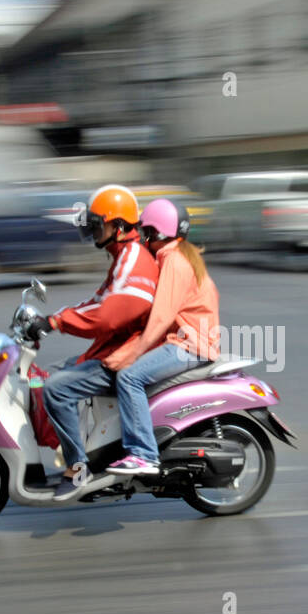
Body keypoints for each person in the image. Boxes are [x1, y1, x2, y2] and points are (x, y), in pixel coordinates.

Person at [32, 184, 158, 499]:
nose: (93, 230)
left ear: (118, 226)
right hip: (114, 348)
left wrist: (56, 321)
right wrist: (53, 319)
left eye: (98, 223)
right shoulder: (121, 257)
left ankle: (78, 469)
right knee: (51, 372)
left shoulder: (134, 261)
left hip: (127, 354)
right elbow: (98, 301)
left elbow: (108, 315)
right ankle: (77, 447)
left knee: (56, 389)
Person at [102, 198, 220, 475]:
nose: (143, 238)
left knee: (130, 377)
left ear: (158, 233)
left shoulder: (175, 262)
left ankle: (143, 454)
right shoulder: (177, 255)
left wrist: (133, 352)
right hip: (189, 341)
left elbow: (162, 316)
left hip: (190, 346)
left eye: (146, 232)